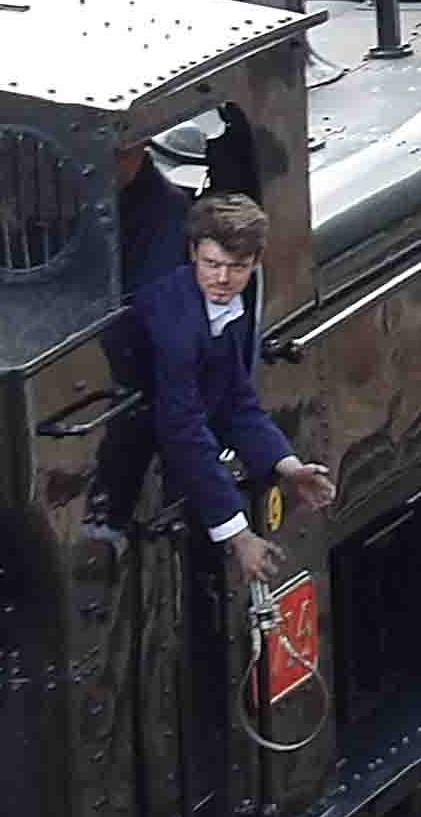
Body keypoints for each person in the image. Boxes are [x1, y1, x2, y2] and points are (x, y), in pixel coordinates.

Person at [129, 192, 336, 592]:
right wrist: (239, 535)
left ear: (256, 263)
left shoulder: (229, 307)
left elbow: (236, 402)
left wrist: (289, 467)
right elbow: (182, 428)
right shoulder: (175, 322)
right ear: (193, 254)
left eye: (237, 267)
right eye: (212, 265)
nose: (222, 280)